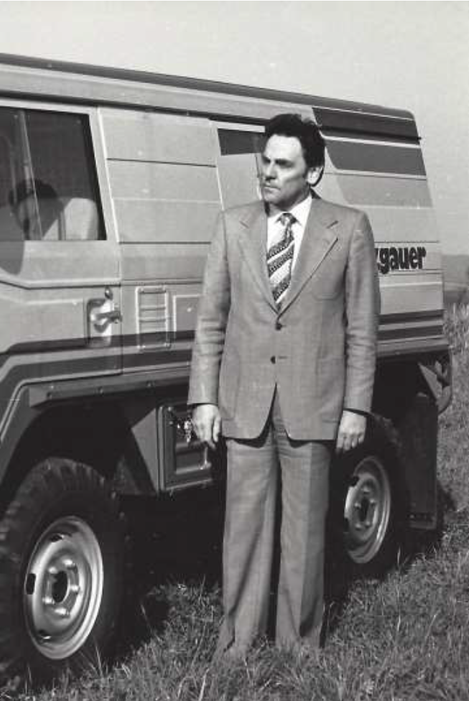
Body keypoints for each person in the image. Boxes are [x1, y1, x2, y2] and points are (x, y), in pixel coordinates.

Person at [188, 113, 380, 660]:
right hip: (245, 405)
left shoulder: (349, 228)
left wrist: (355, 408)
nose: (268, 173)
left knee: (304, 534)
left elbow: (362, 329)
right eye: (265, 161)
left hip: (312, 404)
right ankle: (237, 646)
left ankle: (299, 648)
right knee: (243, 531)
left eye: (283, 164)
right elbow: (211, 321)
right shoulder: (233, 226)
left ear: (312, 172)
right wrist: (204, 398)